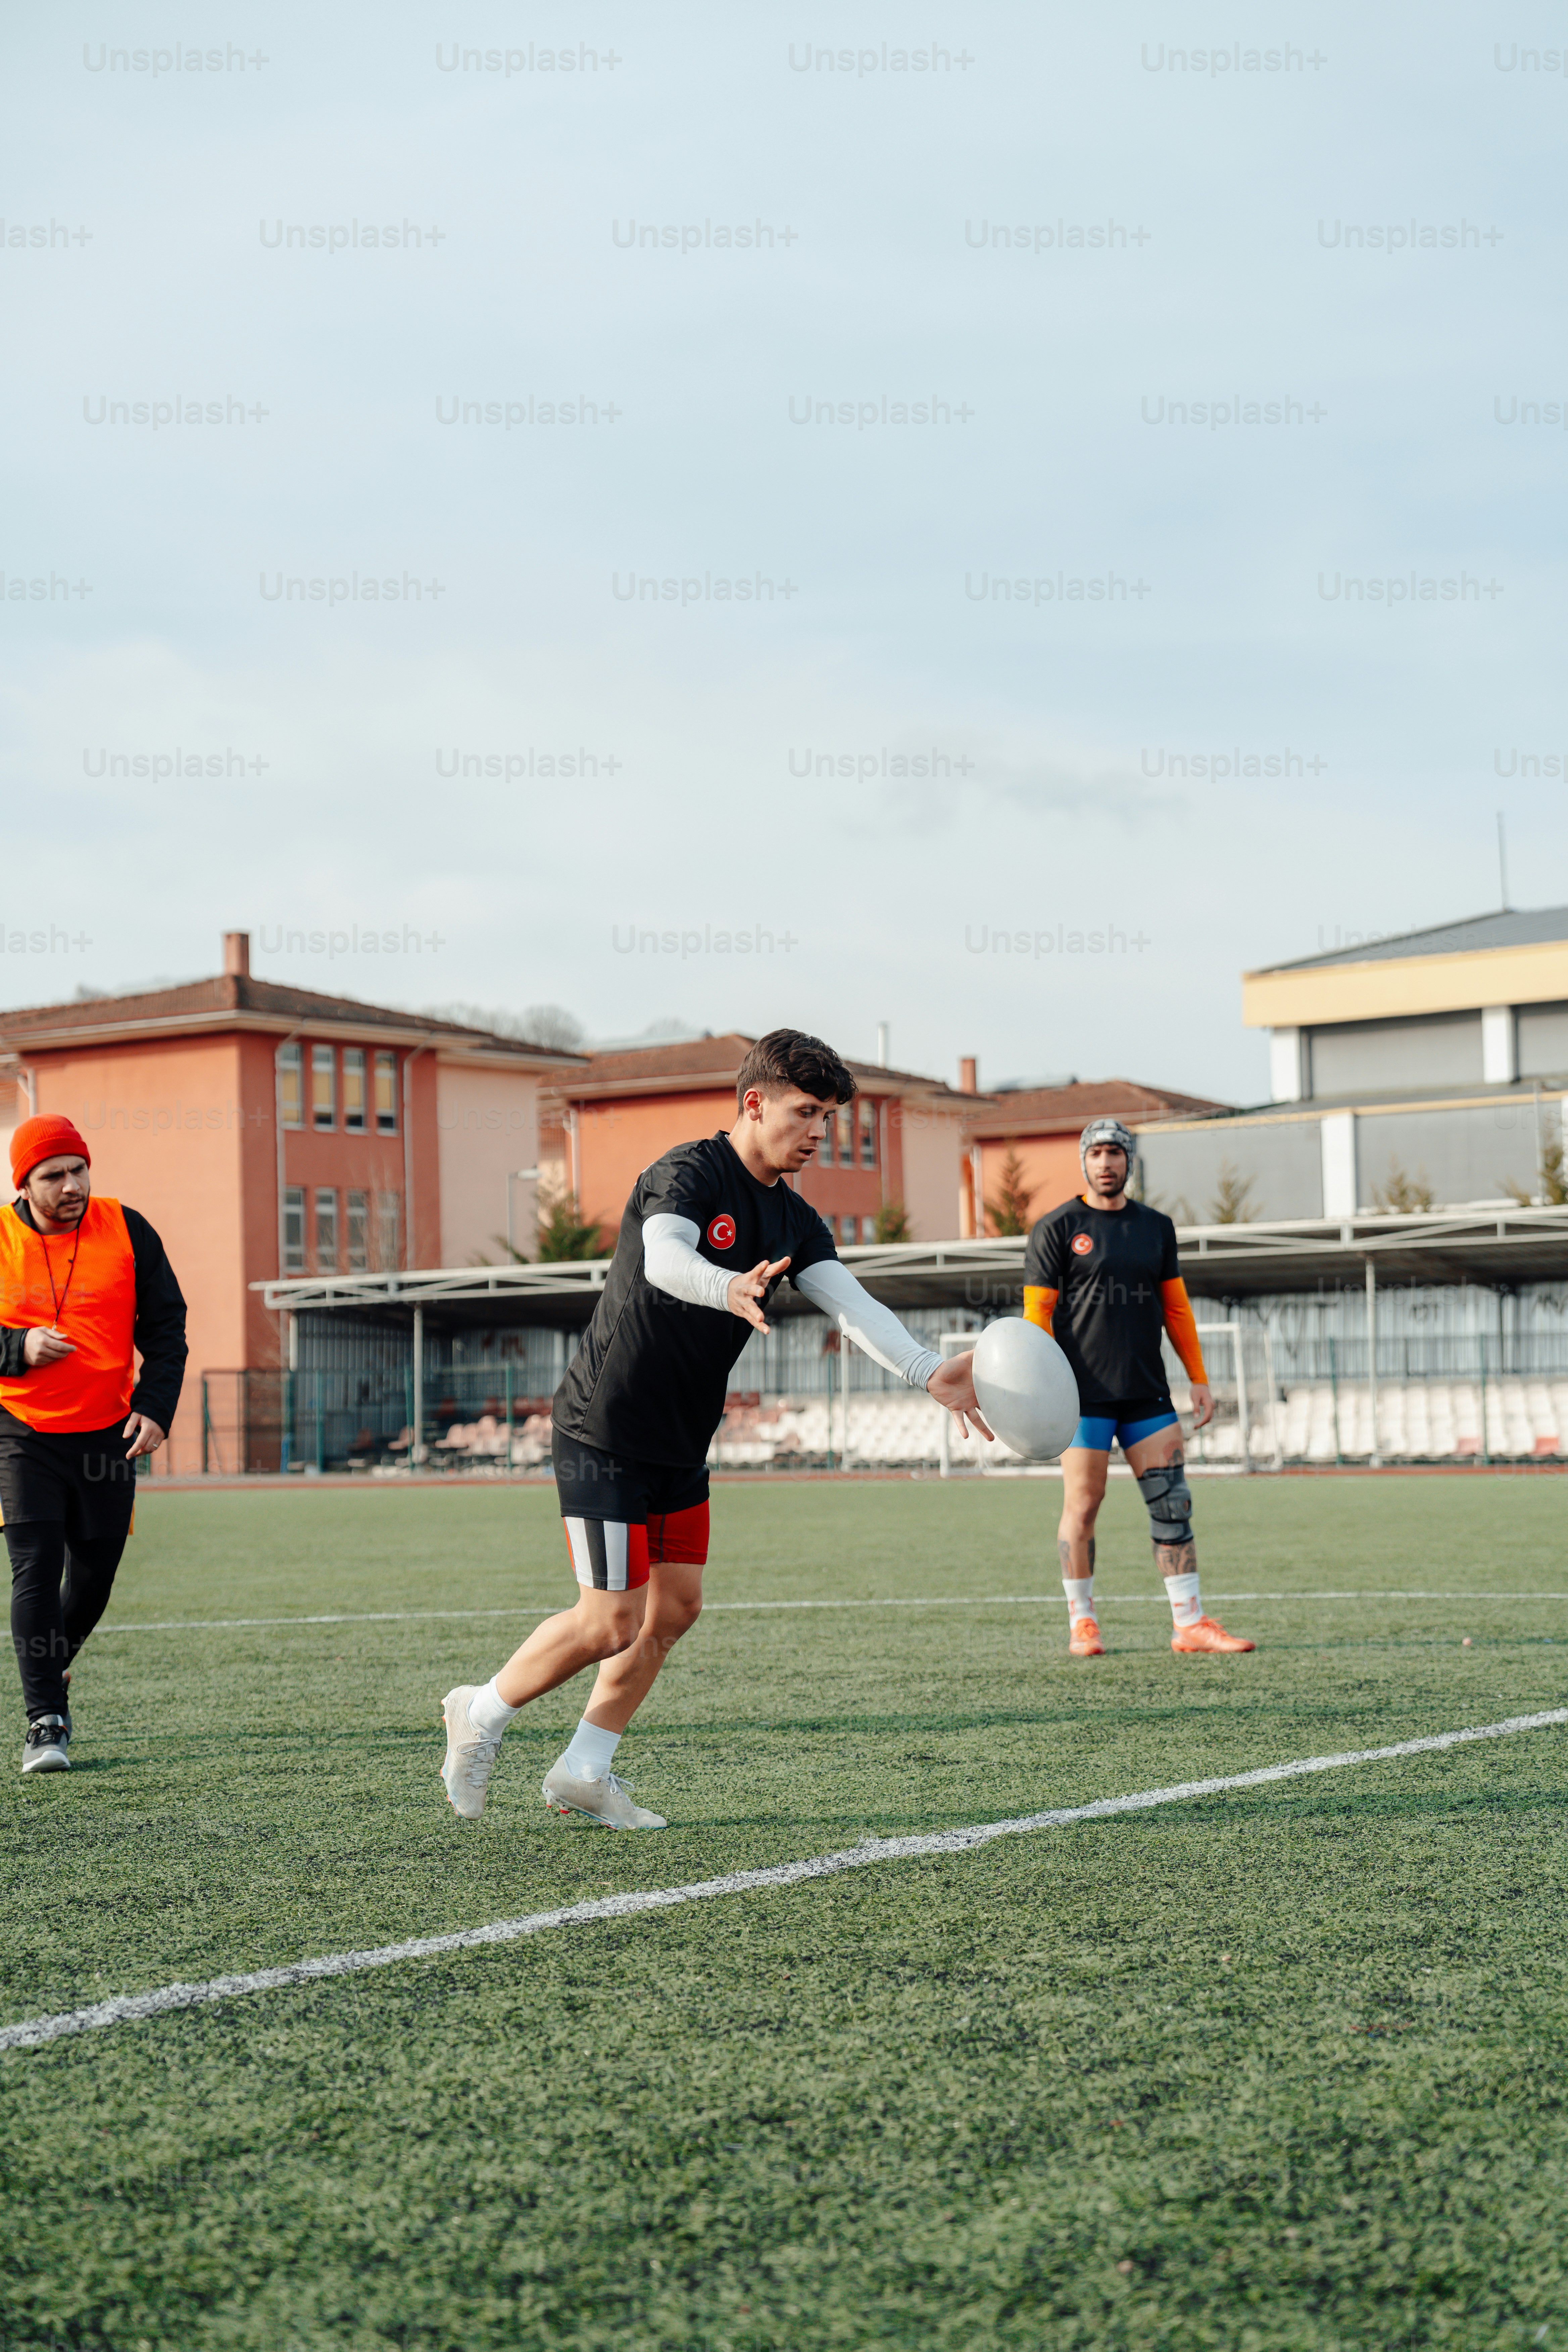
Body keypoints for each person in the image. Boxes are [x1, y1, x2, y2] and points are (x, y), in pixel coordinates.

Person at [440, 1029, 992, 1828]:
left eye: (829, 1119)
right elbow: (665, 1260)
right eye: (805, 1113)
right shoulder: (685, 1173)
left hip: (680, 1443)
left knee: (676, 1610)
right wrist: (725, 1286)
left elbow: (853, 1304)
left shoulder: (795, 1220)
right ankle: (480, 1712)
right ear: (754, 1102)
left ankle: (583, 1770)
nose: (817, 1133)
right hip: (605, 1430)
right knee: (610, 1620)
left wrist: (927, 1370)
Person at [1023, 1116, 1253, 1660]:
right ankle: (1083, 1621)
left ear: (1130, 1162)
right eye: (1097, 1153)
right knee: (1083, 1505)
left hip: (1148, 1394)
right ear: (1085, 1162)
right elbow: (1038, 1313)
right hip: (1082, 1398)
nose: (1106, 1163)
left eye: (1116, 1153)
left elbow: (1176, 1308)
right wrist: (1037, 1388)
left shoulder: (1156, 1227)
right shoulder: (1056, 1228)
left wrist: (1198, 1379)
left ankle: (1190, 1625)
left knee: (1173, 1504)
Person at [0, 1115, 188, 1773]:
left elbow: (168, 1327)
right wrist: (15, 1347)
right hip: (19, 1430)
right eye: (54, 1176)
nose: (72, 1185)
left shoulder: (128, 1229)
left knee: (94, 1578)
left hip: (109, 1433)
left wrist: (156, 1408)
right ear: (25, 1183)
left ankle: (53, 1667)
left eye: (79, 1169)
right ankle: (45, 1721)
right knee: (35, 1567)